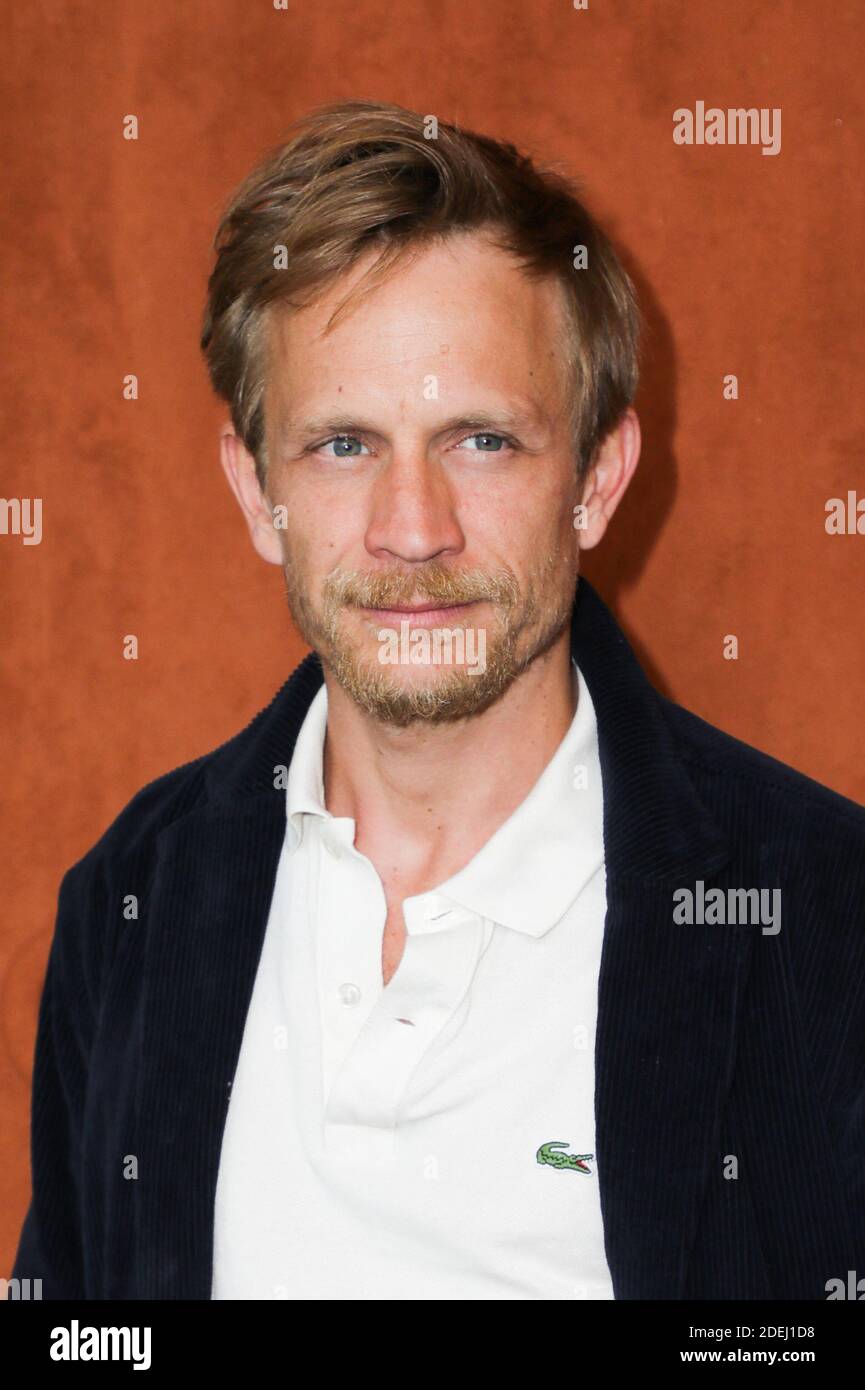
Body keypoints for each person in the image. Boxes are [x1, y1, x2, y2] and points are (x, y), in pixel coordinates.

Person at [10, 100, 865, 1301]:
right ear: (260, 496)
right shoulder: (130, 899)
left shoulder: (827, 920)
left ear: (596, 480)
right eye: (344, 445)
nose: (414, 530)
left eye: (480, 440)